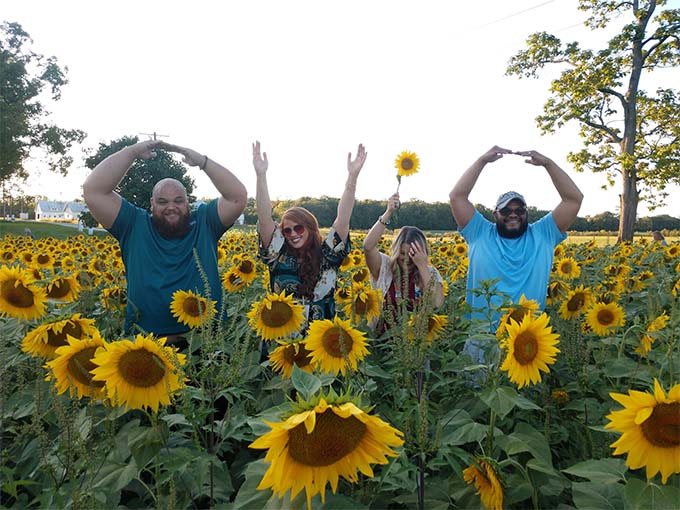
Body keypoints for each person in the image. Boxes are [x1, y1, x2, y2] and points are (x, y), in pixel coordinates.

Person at [83, 140, 247, 343]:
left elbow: (237, 197)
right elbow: (94, 191)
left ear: (187, 202)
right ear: (152, 203)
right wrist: (132, 152)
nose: (171, 207)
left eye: (178, 200)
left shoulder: (206, 222)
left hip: (206, 343)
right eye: (162, 201)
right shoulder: (133, 224)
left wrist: (203, 162)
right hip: (145, 344)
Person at [449, 146, 583, 362]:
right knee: (476, 393)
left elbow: (573, 199)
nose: (514, 215)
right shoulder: (479, 232)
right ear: (495, 214)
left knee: (524, 395)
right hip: (483, 338)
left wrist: (548, 163)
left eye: (520, 210)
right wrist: (481, 160)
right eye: (506, 211)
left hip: (528, 339)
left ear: (526, 213)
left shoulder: (543, 234)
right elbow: (457, 196)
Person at [252, 140, 366, 331]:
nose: (293, 234)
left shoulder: (328, 255)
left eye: (299, 228)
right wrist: (260, 175)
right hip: (283, 338)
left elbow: (343, 218)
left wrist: (352, 176)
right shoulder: (278, 256)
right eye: (287, 230)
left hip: (322, 341)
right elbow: (264, 218)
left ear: (311, 228)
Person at [363, 192, 444, 333]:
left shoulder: (431, 274)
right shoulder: (384, 267)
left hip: (413, 348)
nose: (407, 259)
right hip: (380, 344)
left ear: (422, 253)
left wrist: (422, 265)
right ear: (396, 250)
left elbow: (436, 303)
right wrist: (388, 213)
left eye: (412, 254)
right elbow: (368, 246)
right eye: (402, 254)